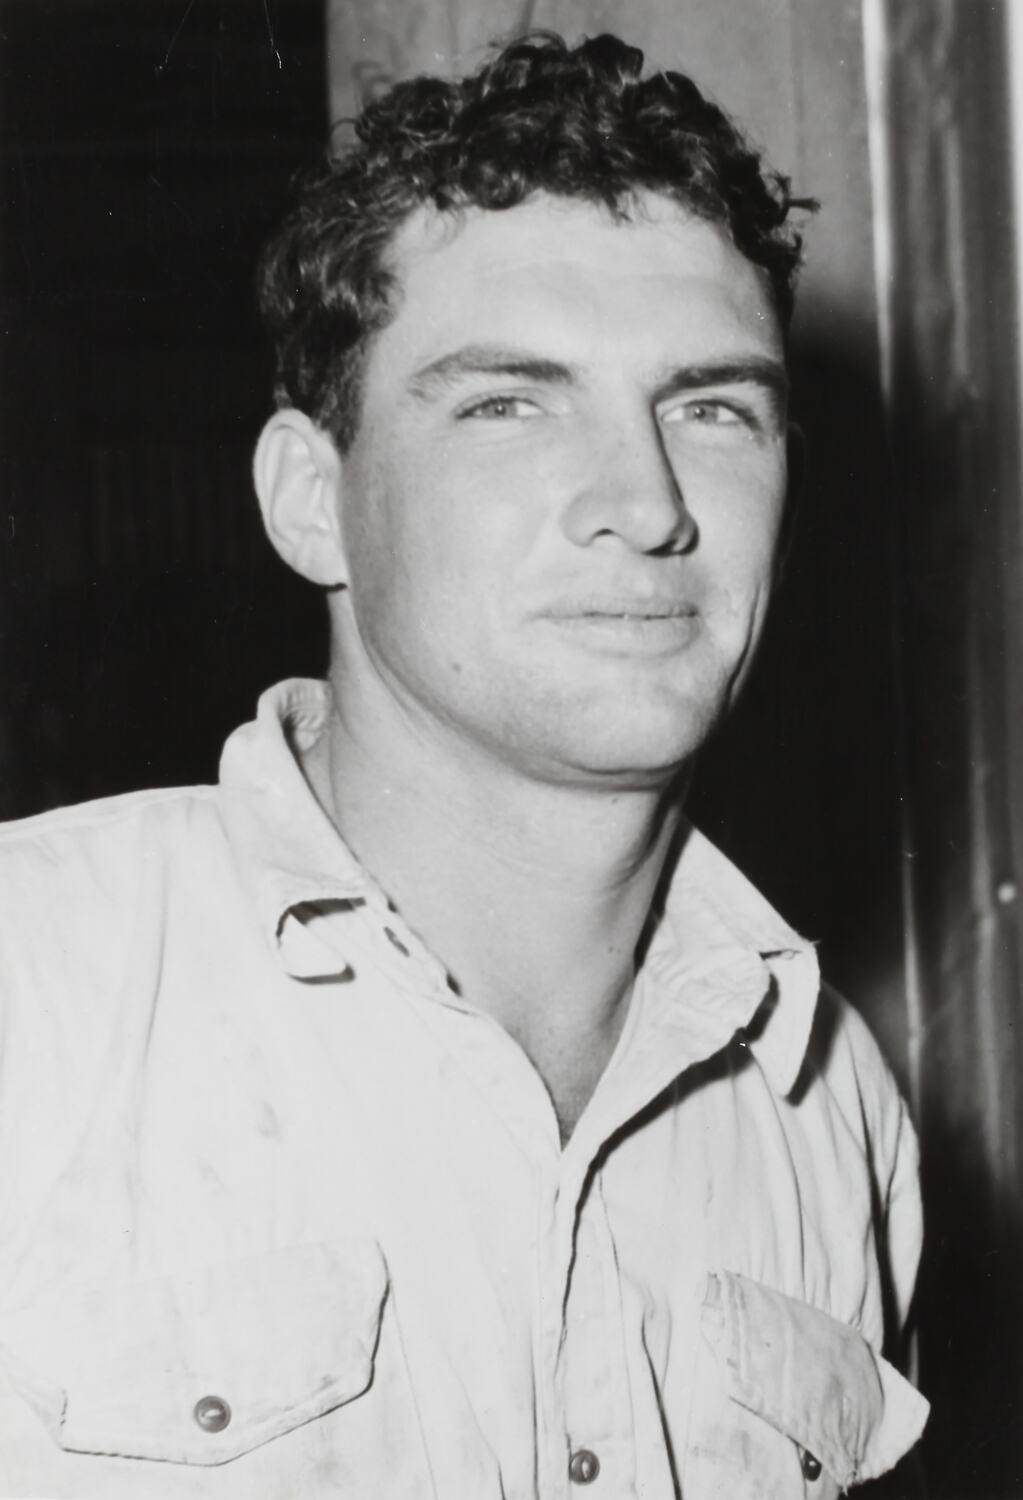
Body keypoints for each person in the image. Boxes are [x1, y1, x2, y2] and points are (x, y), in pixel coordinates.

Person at [0, 31, 927, 1500]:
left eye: (710, 408)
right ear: (312, 502)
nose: (647, 504)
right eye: (510, 403)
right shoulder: (39, 995)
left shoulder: (828, 1106)